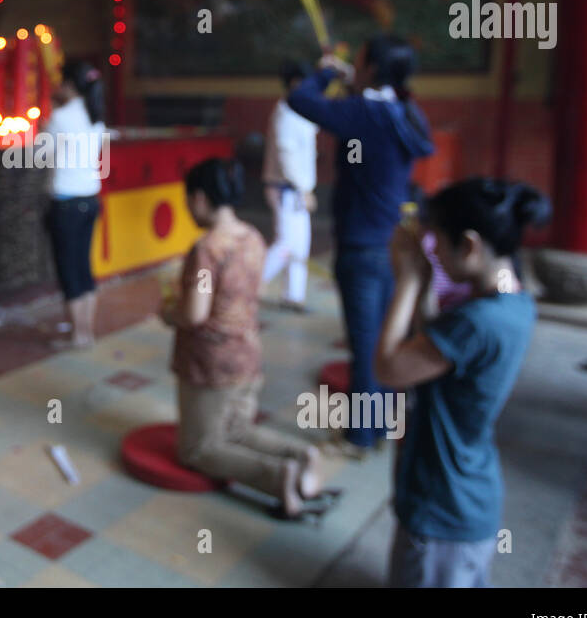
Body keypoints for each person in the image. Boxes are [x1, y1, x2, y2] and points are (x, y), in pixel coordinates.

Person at [375, 177, 550, 587]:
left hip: (443, 507)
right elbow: (438, 337)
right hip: (468, 494)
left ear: (469, 245)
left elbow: (388, 367)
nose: (432, 251)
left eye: (436, 241)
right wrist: (421, 281)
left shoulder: (478, 322)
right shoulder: (512, 302)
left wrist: (408, 280)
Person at [287, 34, 435, 450]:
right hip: (394, 245)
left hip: (362, 247)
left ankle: (360, 437)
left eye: (362, 59)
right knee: (386, 341)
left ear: (370, 68)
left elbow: (300, 99)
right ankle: (382, 426)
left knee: (366, 345)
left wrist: (326, 72)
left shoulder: (365, 114)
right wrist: (356, 86)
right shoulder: (403, 112)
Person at [161, 158, 328, 518]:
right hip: (248, 356)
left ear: (201, 198)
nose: (189, 208)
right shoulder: (252, 237)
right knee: (236, 430)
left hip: (210, 365)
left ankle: (275, 476)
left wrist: (167, 312)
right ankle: (300, 456)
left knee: (196, 449)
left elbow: (195, 313)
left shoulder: (208, 249)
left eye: (188, 200)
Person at [45, 60, 107, 347]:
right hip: (90, 200)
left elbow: (39, 156)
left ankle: (77, 335)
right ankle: (87, 332)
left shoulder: (60, 117)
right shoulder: (94, 115)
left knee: (69, 270)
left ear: (69, 84)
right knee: (83, 266)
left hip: (67, 204)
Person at [261, 61, 318, 311]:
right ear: (295, 83)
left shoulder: (301, 109)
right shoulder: (287, 110)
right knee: (285, 243)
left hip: (295, 189)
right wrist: (303, 189)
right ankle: (248, 285)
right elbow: (286, 155)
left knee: (300, 244)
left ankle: (293, 295)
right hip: (286, 188)